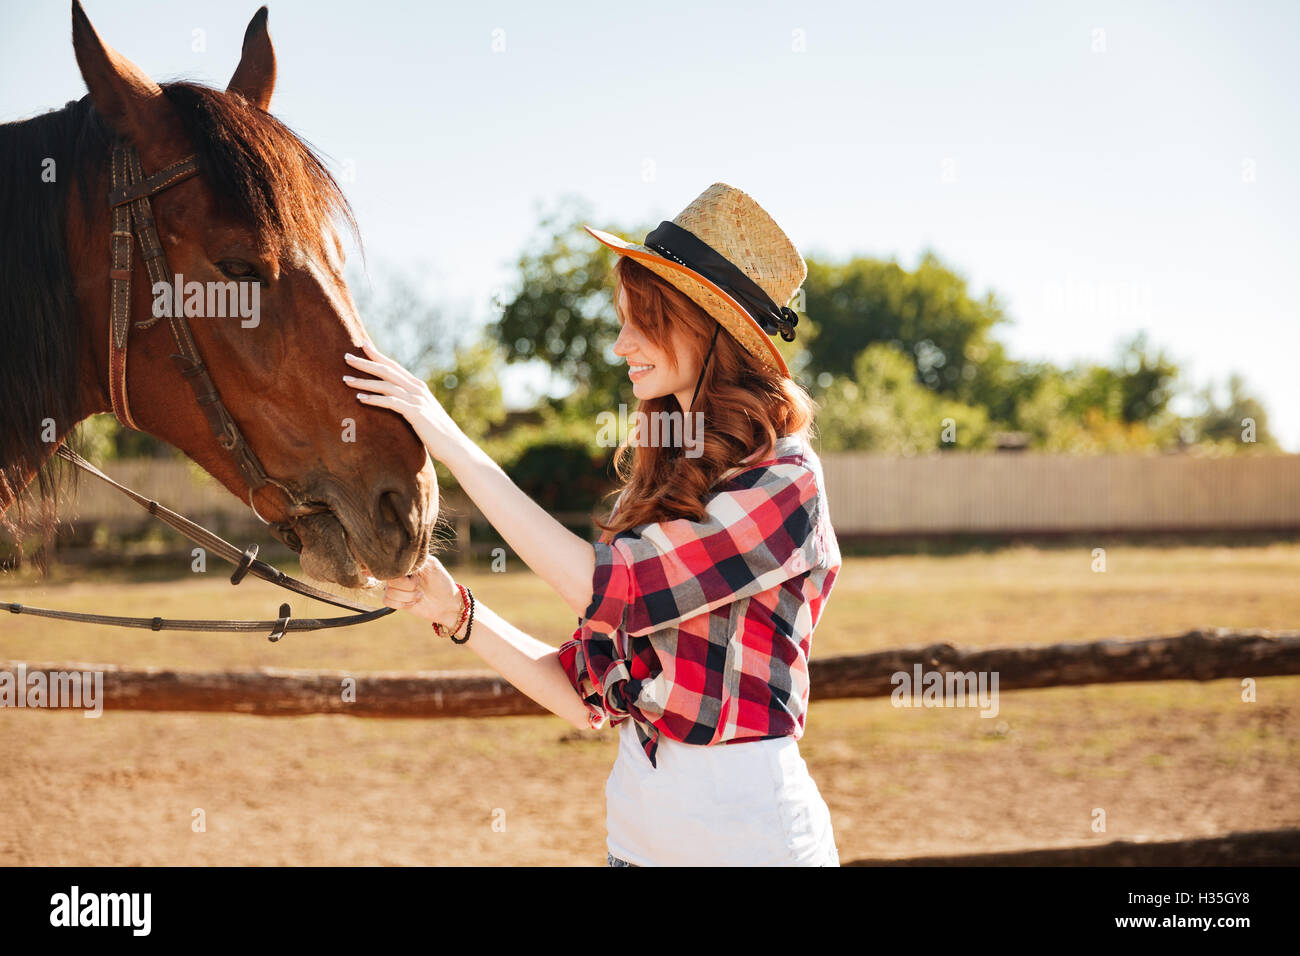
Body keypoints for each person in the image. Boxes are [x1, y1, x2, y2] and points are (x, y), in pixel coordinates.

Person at [343, 182, 842, 866]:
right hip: (633, 850)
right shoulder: (667, 484)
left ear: (704, 324)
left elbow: (613, 590)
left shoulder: (784, 484)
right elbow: (585, 694)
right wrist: (454, 608)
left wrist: (450, 439)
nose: (620, 344)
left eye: (642, 319)